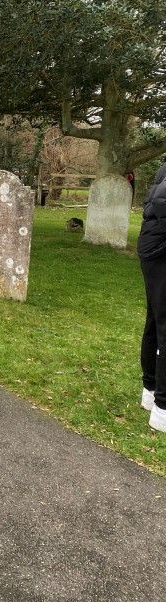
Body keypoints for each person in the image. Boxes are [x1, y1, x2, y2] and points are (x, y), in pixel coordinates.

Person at [137, 160, 166, 432]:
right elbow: (160, 201)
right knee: (161, 324)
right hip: (159, 247)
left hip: (153, 243)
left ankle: (151, 392)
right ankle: (163, 408)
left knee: (156, 322)